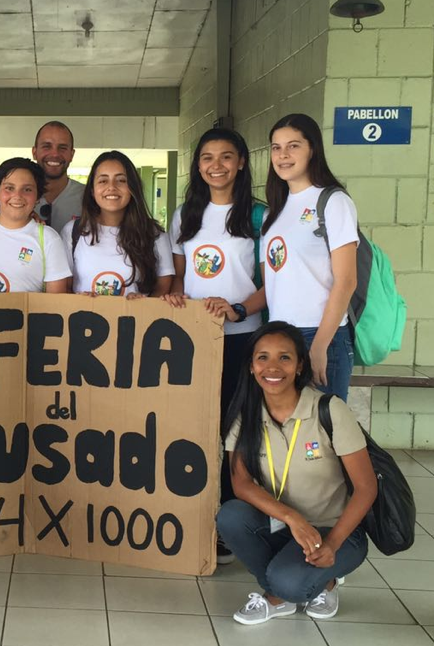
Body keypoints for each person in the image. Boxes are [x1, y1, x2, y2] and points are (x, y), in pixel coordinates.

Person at [218, 322, 376, 625]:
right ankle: (287, 590)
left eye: (284, 358)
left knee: (290, 583)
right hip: (285, 526)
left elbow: (367, 487)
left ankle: (308, 587)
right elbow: (240, 483)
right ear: (251, 366)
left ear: (300, 364)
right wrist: (293, 519)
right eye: (262, 357)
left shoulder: (330, 410)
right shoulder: (246, 414)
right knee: (231, 516)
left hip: (336, 531)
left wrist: (332, 544)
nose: (272, 367)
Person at [162, 129, 266, 563]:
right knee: (195, 428)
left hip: (243, 339)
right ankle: (193, 515)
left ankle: (231, 523)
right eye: (207, 157)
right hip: (196, 342)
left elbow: (273, 282)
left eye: (226, 156)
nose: (216, 165)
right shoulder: (185, 213)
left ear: (241, 161)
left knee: (235, 433)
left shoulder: (261, 216)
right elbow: (180, 278)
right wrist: (175, 300)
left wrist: (239, 310)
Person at [263, 113, 358, 401]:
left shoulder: (333, 201)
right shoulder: (275, 211)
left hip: (320, 336)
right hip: (280, 337)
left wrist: (318, 347)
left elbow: (346, 281)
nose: (283, 155)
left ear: (312, 149)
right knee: (287, 431)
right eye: (276, 147)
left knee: (322, 435)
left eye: (293, 146)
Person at [62, 150, 173, 298]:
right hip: (85, 320)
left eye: (121, 180)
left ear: (133, 188)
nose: (112, 187)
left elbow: (164, 286)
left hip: (136, 320)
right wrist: (81, 300)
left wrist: (145, 304)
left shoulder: (153, 234)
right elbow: (64, 288)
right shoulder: (73, 231)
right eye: (103, 180)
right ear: (92, 191)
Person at [0, 157, 71, 294]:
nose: (17, 196)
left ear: (37, 198)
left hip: (26, 316)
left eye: (27, 189)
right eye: (9, 188)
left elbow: (56, 303)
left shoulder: (49, 239)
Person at [31, 120, 85, 233]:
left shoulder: (88, 196)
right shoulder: (17, 194)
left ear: (72, 154)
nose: (55, 154)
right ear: (34, 152)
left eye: (62, 148)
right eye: (47, 146)